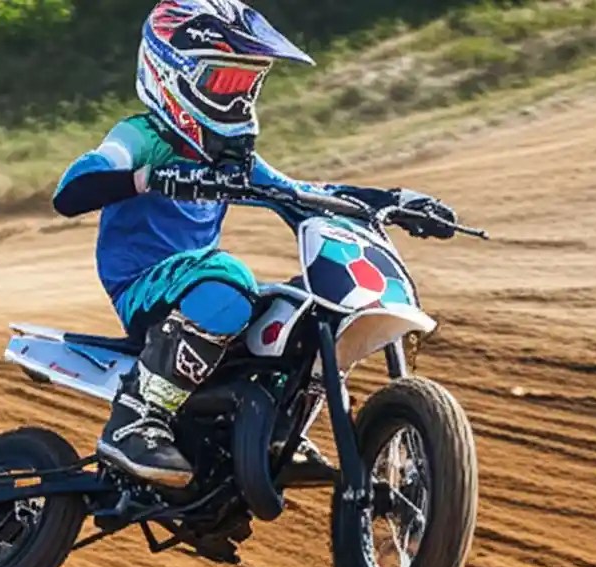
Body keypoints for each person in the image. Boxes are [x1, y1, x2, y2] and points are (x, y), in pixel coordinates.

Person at [52, 0, 457, 488]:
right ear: (170, 74)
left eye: (247, 84)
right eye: (224, 82)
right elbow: (73, 188)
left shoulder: (231, 156)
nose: (239, 99)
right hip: (144, 283)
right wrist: (147, 178)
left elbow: (305, 194)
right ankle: (138, 418)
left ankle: (276, 431)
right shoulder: (143, 135)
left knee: (305, 306)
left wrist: (394, 199)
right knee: (230, 281)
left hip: (197, 283)